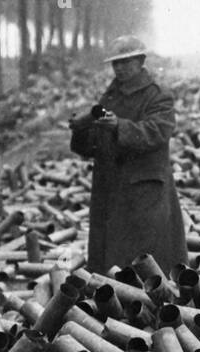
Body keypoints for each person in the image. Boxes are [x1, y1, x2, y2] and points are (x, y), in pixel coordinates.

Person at [69, 36, 188, 276]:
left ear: (141, 61)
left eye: (125, 62)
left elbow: (157, 131)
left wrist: (119, 126)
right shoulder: (110, 97)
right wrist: (81, 131)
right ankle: (114, 300)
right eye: (115, 63)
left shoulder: (157, 95)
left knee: (149, 255)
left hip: (144, 187)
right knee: (113, 254)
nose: (119, 68)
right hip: (111, 185)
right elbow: (96, 141)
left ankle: (153, 302)